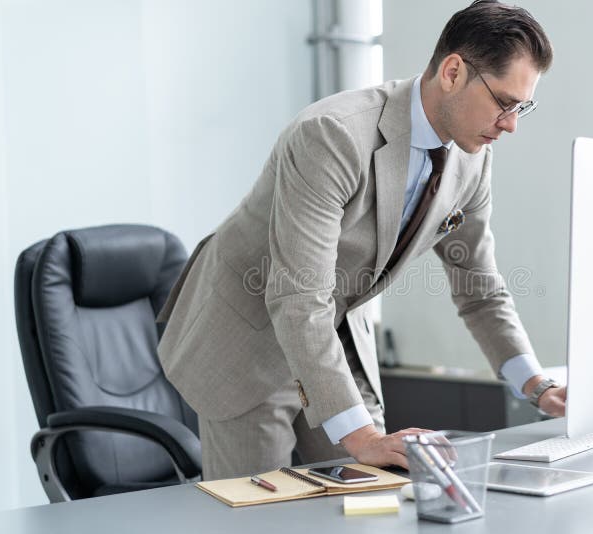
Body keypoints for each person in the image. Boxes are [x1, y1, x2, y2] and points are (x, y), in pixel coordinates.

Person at [157, 0, 567, 481]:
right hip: (249, 338)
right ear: (453, 72)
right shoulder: (332, 135)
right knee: (263, 509)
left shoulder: (471, 157)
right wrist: (363, 438)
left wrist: (537, 386)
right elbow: (298, 295)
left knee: (374, 495)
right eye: (504, 102)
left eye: (522, 108)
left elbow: (479, 287)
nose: (511, 124)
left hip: (335, 335)